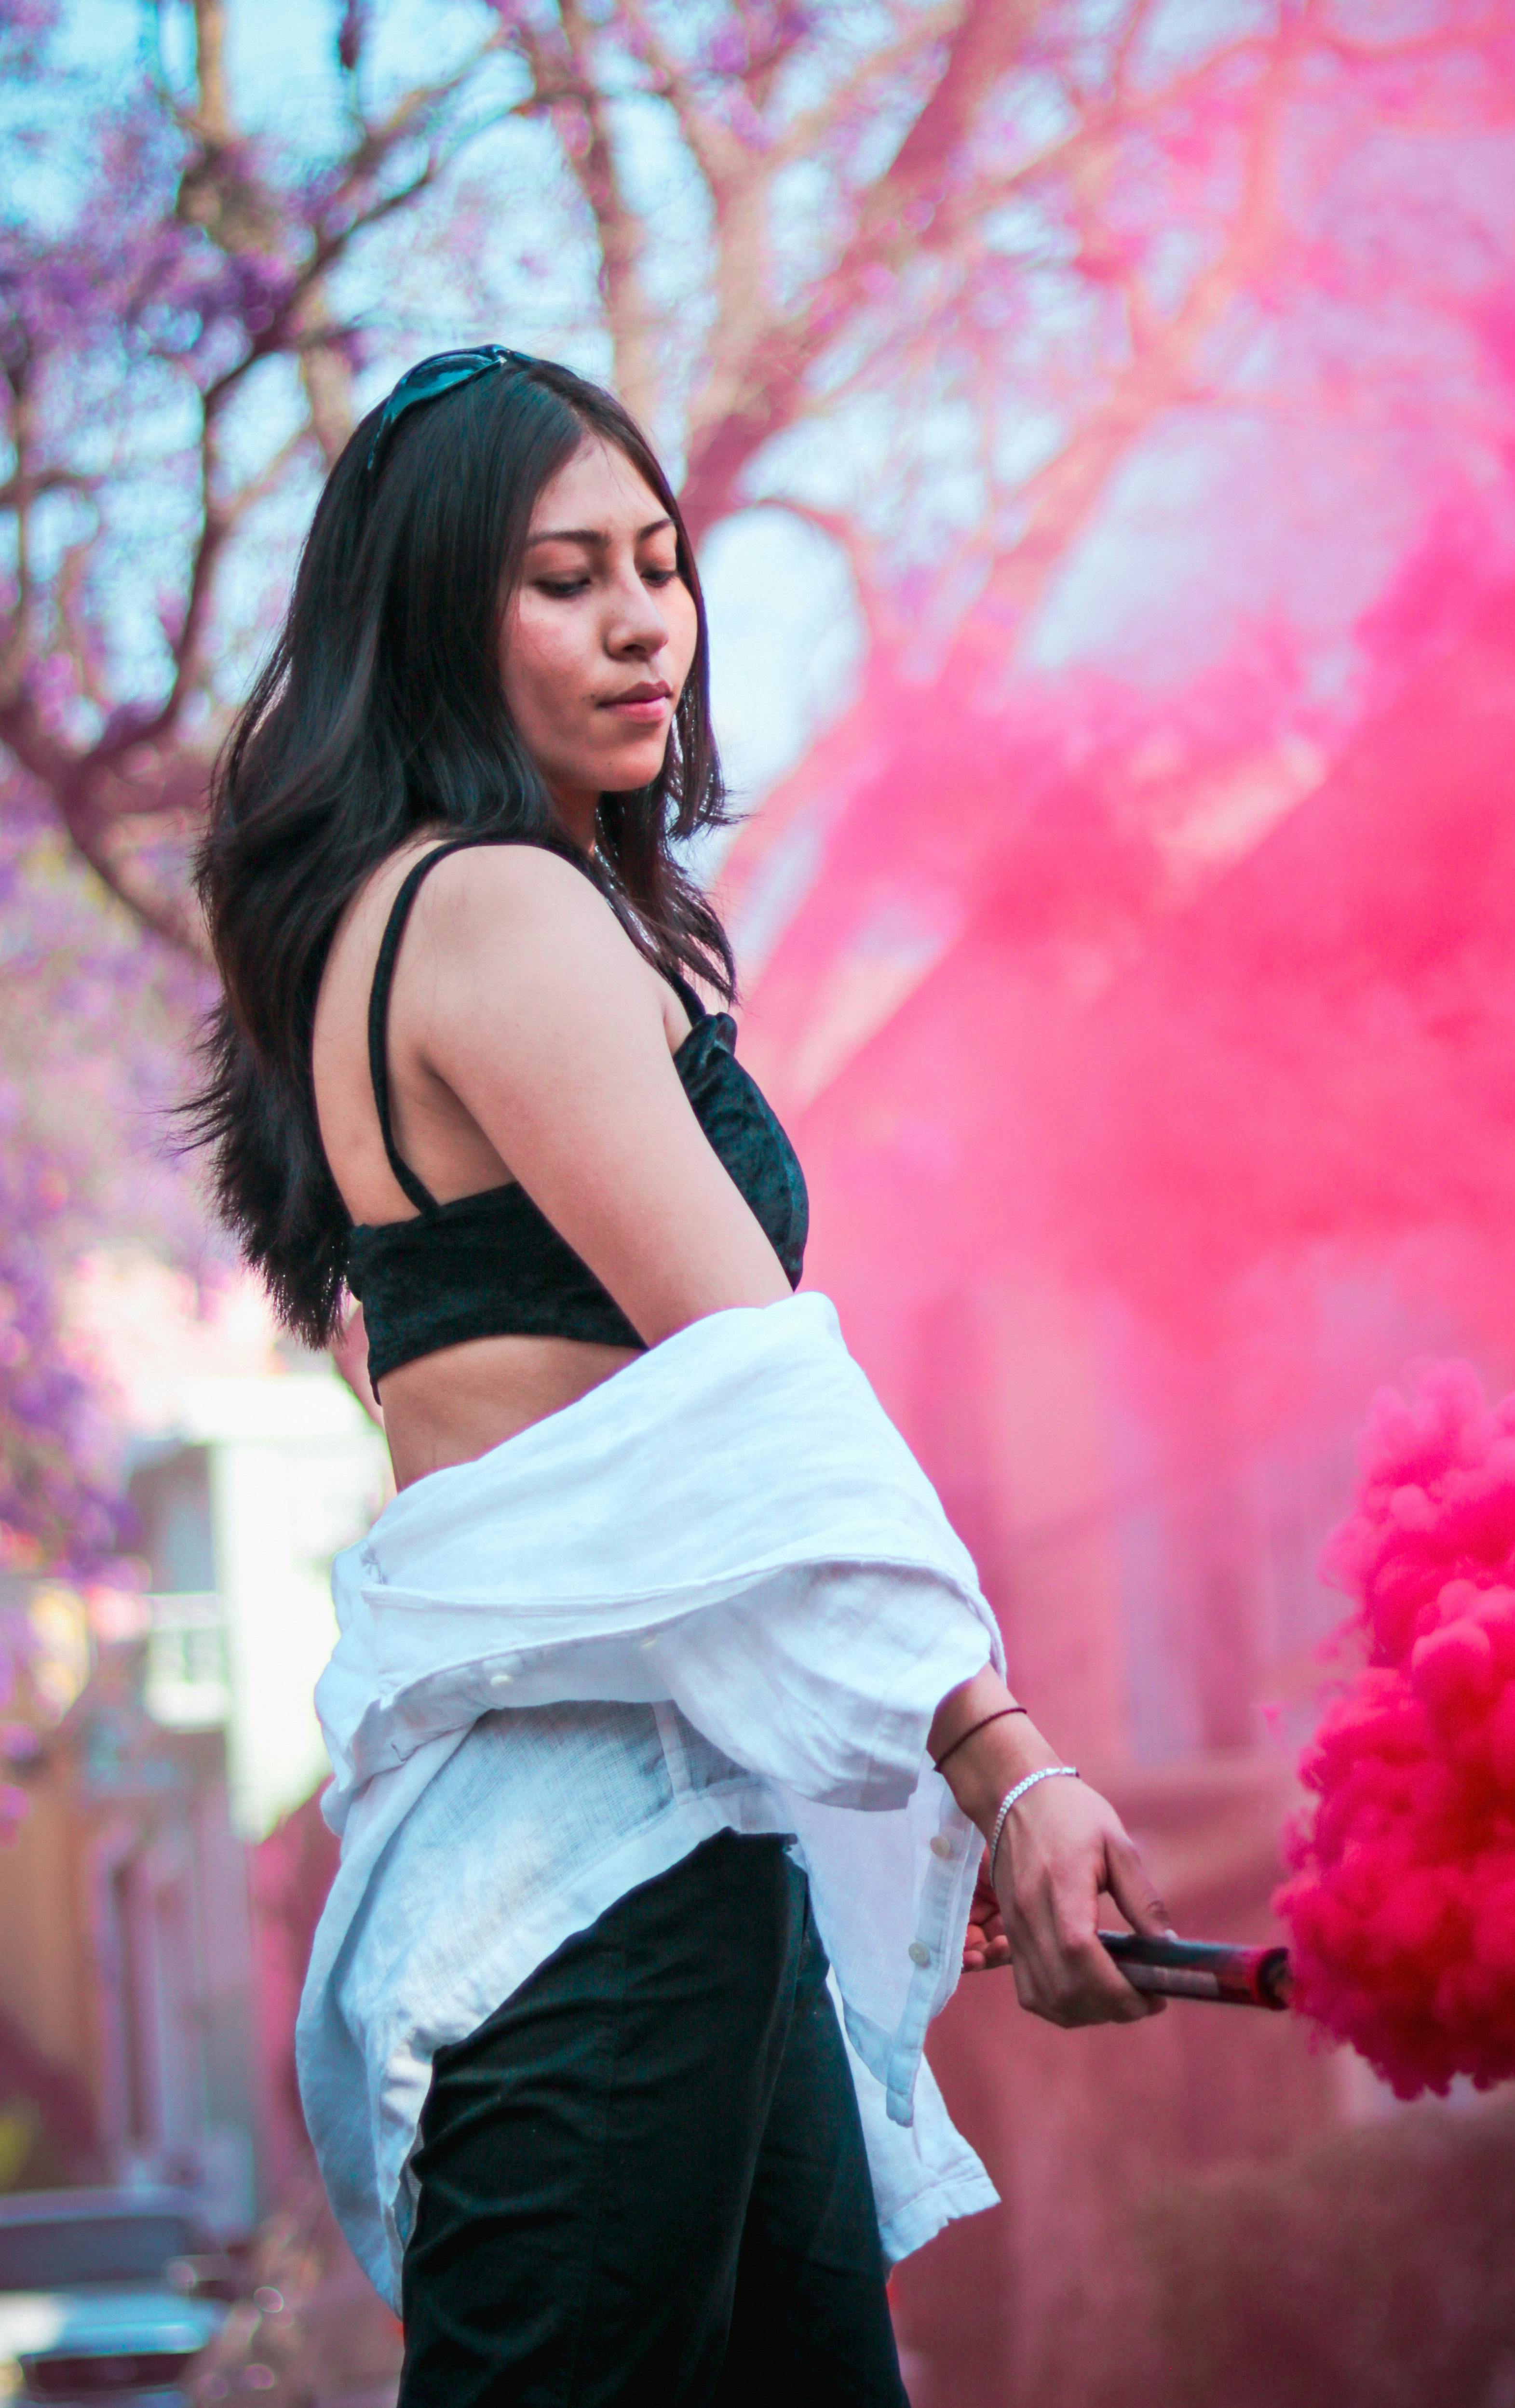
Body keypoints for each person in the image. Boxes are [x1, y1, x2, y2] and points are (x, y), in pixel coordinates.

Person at [190, 348, 1174, 2406]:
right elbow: (752, 1402)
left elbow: (565, 1444)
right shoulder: (491, 912)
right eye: (566, 578)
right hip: (590, 1887)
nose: (647, 618)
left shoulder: (421, 934)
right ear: (440, 622)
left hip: (653, 1860)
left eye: (662, 561)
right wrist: (1008, 1762)